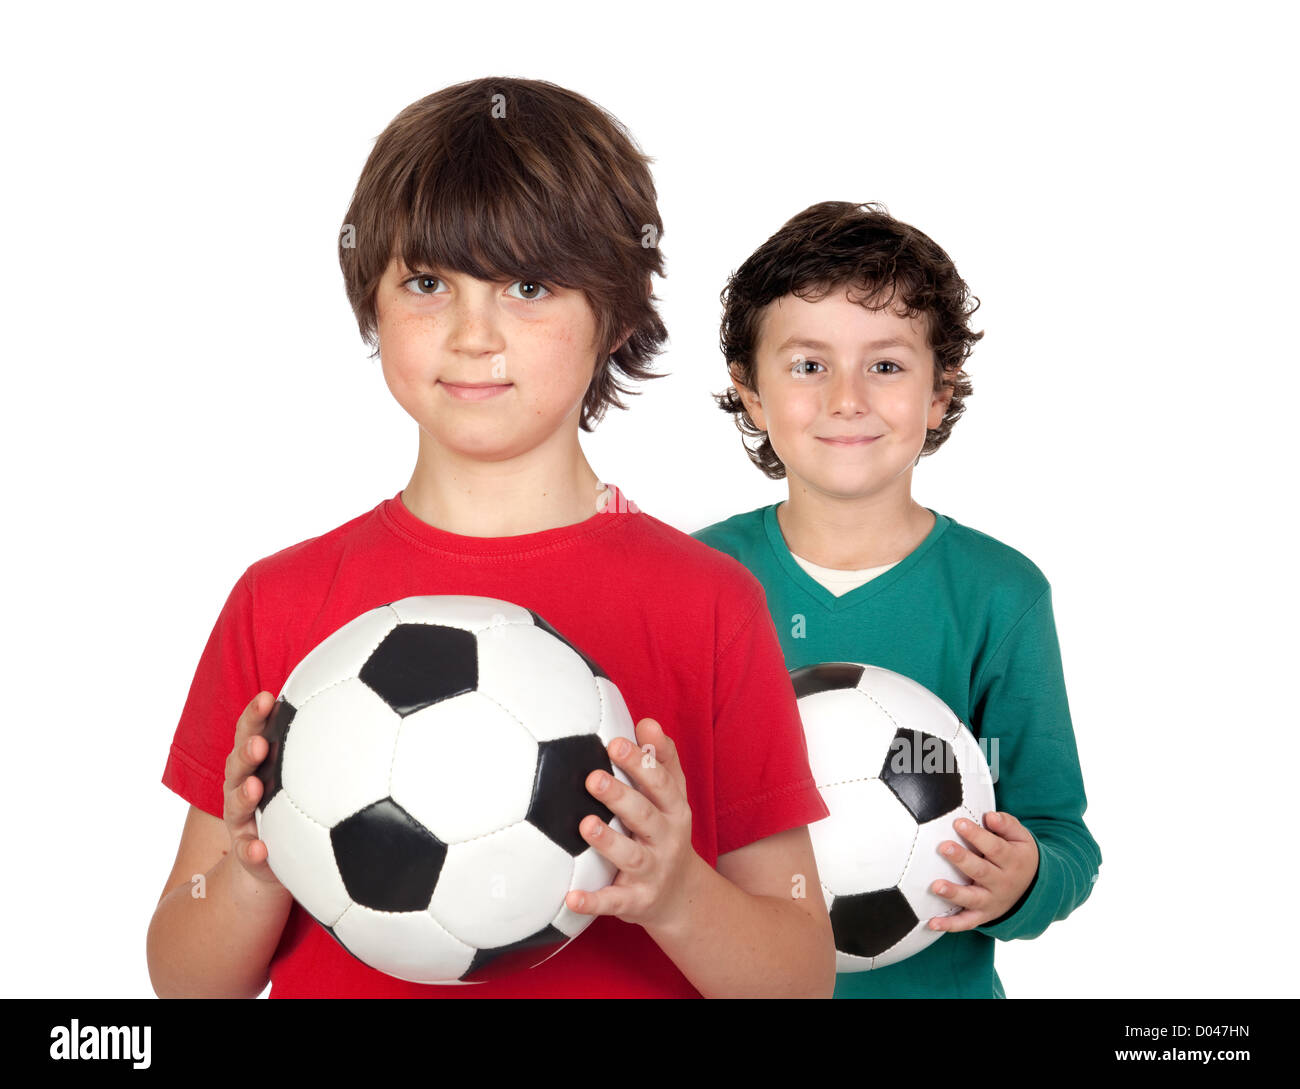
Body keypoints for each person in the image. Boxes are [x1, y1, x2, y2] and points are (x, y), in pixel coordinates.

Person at [146, 77, 834, 999]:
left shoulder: (707, 600)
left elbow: (799, 977)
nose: (474, 335)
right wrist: (251, 870)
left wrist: (677, 895)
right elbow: (185, 982)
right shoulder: (282, 599)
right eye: (428, 283)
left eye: (528, 286)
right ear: (372, 303)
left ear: (617, 316)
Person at [690, 201, 1101, 998]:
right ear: (751, 394)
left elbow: (1062, 838)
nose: (848, 397)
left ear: (940, 393)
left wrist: (1021, 883)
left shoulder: (999, 594)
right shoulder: (696, 579)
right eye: (809, 365)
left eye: (886, 365)